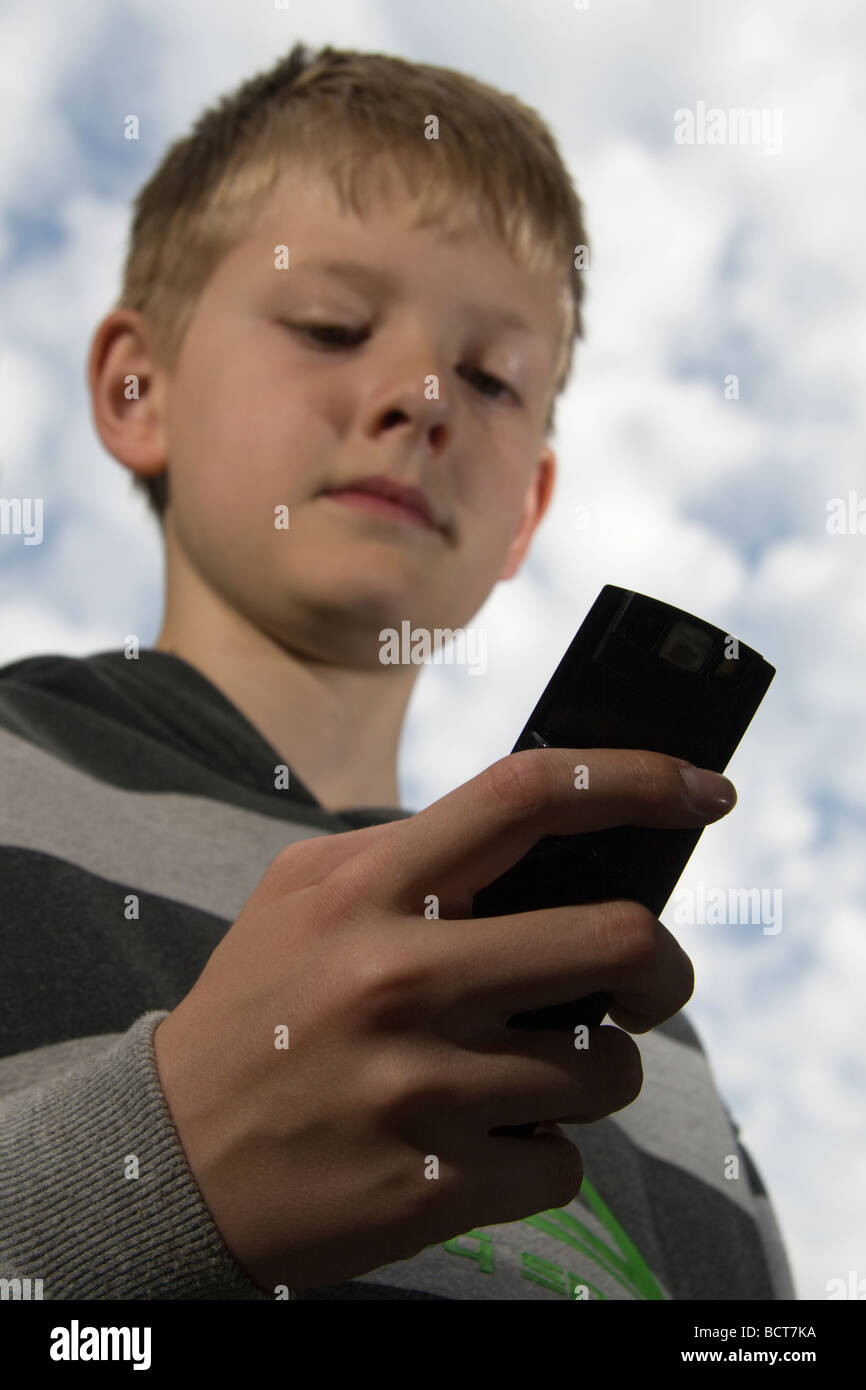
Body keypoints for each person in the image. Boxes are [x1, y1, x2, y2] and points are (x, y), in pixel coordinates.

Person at [0, 41, 795, 1301]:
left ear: (526, 511)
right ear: (136, 385)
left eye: (489, 378)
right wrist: (152, 1171)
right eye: (329, 324)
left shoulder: (635, 1020)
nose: (421, 397)